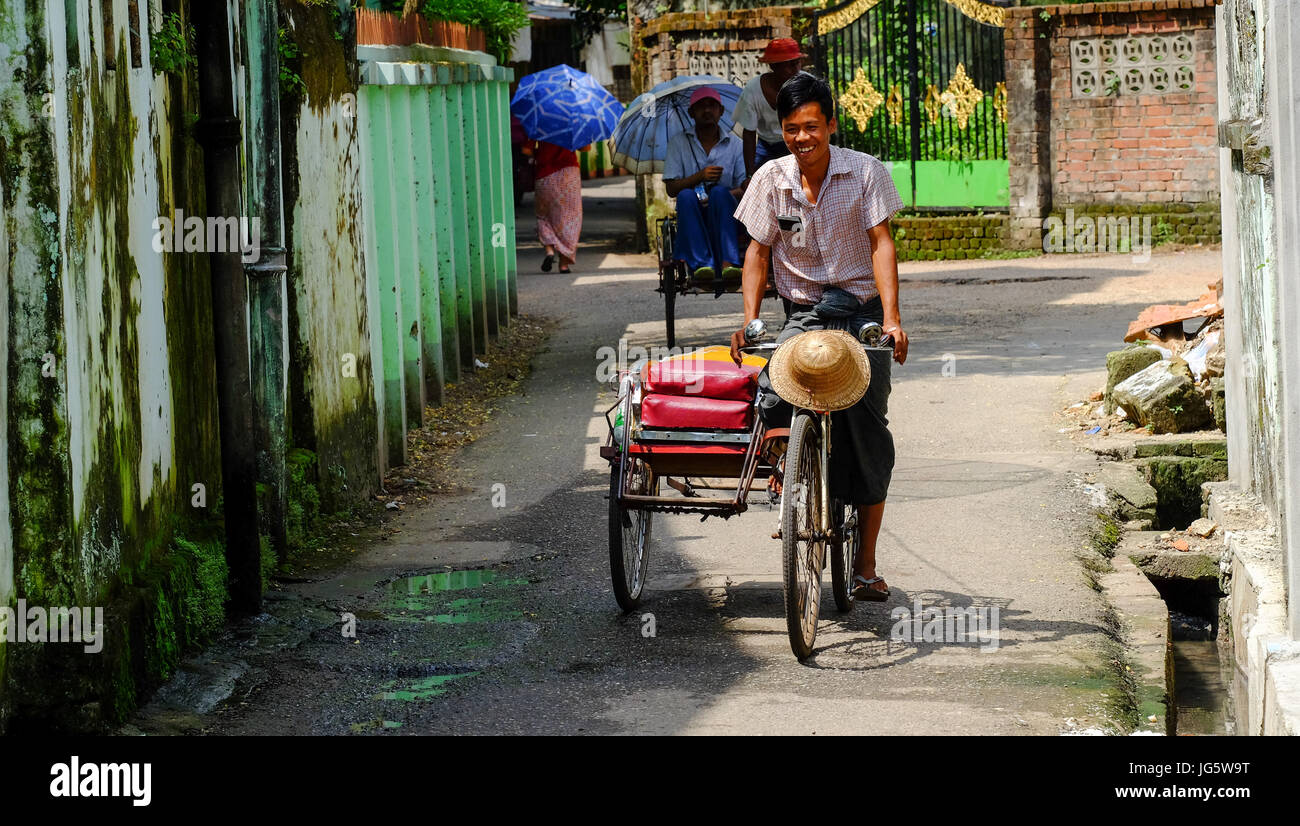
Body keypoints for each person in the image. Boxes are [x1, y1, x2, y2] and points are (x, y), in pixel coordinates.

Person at [730, 72, 909, 603]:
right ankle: (795, 477)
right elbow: (757, 253)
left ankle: (867, 566)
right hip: (804, 315)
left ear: (830, 124)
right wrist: (749, 317)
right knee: (774, 396)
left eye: (812, 126)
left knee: (867, 429)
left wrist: (893, 319)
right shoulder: (771, 179)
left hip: (860, 313)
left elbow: (882, 245)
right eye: (791, 129)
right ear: (781, 131)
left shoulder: (866, 173)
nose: (802, 138)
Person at [661, 87, 748, 283]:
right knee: (685, 195)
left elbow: (744, 187)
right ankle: (702, 265)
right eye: (701, 106)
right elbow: (671, 188)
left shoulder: (735, 144)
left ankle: (729, 263)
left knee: (718, 192)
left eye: (712, 106)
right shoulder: (679, 143)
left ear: (721, 111)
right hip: (692, 210)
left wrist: (720, 195)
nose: (707, 111)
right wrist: (699, 176)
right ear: (691, 113)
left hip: (726, 210)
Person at [733, 38, 807, 178]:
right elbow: (749, 133)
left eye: (797, 63)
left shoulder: (808, 85)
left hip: (798, 142)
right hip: (766, 146)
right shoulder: (753, 89)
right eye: (790, 65)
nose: (795, 69)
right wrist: (750, 174)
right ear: (774, 66)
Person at [527, 139, 591, 274]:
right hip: (569, 174)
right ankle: (564, 264)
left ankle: (549, 250)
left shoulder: (538, 121)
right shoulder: (573, 121)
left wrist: (540, 153)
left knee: (544, 216)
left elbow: (525, 150)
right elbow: (586, 148)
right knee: (570, 219)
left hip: (545, 175)